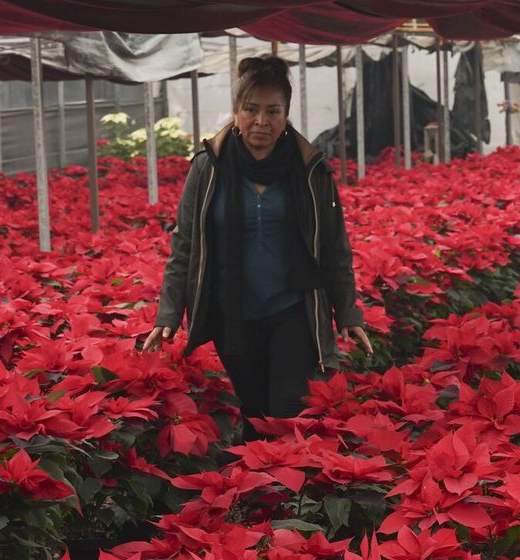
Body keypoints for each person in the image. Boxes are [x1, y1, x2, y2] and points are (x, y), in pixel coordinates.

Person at [142, 55, 370, 425]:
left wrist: (347, 311)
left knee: (285, 412)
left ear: (287, 114)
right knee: (253, 412)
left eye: (273, 111)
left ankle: (286, 480)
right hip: (232, 313)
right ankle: (258, 481)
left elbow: (333, 245)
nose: (261, 122)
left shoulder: (311, 168)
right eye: (251, 109)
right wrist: (167, 313)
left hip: (293, 308)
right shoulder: (208, 166)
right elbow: (185, 244)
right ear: (236, 110)